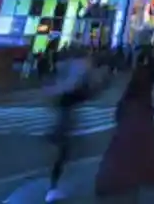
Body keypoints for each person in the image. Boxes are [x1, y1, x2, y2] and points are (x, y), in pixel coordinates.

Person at [95, 61, 154, 198]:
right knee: (132, 182)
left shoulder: (131, 97)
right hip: (137, 145)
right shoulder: (143, 100)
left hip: (125, 145)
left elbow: (120, 116)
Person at [45, 49, 100, 203]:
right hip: (65, 122)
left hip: (65, 120)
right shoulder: (73, 76)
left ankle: (55, 185)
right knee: (63, 153)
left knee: (64, 153)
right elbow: (81, 93)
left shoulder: (65, 72)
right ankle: (53, 187)